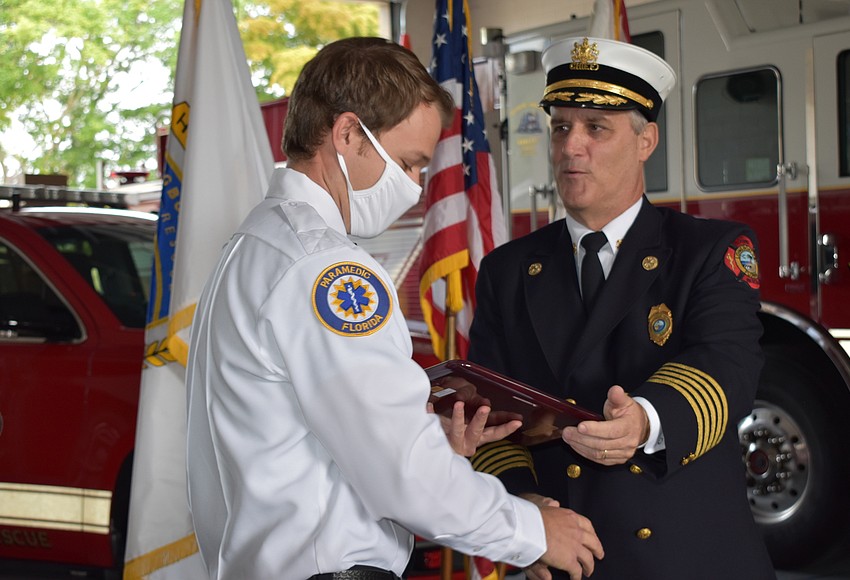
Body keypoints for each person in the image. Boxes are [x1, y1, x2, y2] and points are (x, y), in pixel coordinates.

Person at [184, 37, 603, 580]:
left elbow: (309, 437)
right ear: (348, 134)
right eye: (407, 164)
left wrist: (429, 436)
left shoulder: (255, 244)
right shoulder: (328, 269)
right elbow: (401, 472)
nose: (415, 187)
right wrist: (533, 531)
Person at [467, 37, 776, 580]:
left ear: (645, 140)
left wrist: (646, 419)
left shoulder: (708, 250)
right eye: (560, 127)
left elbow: (726, 365)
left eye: (596, 128)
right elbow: (491, 414)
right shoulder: (507, 270)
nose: (571, 147)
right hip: (565, 558)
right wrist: (524, 512)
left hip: (686, 559)